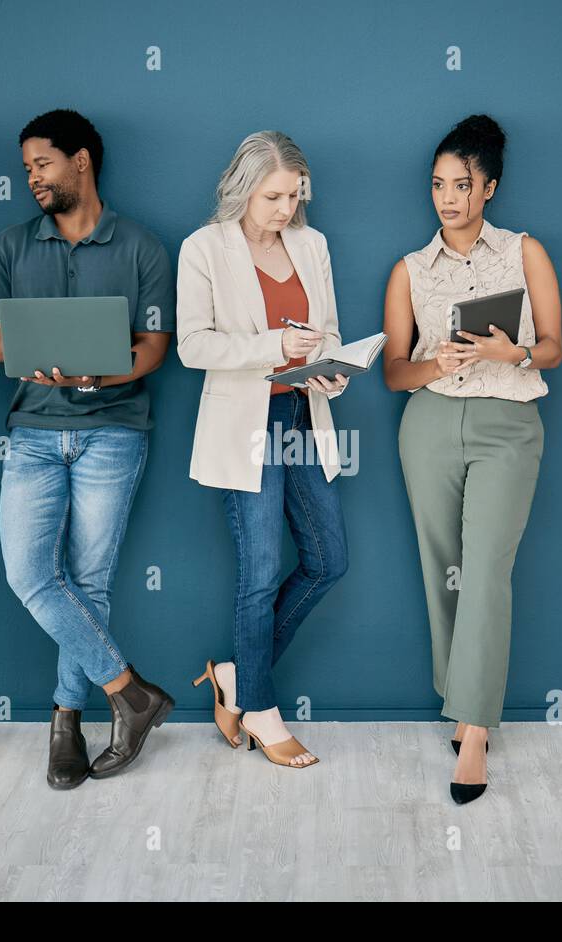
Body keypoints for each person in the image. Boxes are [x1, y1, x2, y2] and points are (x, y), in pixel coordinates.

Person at [0, 109, 176, 790]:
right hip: (32, 431)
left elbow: (151, 349)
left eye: (42, 163)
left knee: (89, 582)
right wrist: (44, 354)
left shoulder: (142, 246)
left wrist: (96, 372)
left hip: (114, 427)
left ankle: (66, 722)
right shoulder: (10, 246)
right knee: (31, 575)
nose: (31, 177)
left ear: (81, 161)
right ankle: (132, 694)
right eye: (26, 167)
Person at [383, 114, 562, 804]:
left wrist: (505, 350)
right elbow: (395, 373)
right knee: (443, 570)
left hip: (508, 422)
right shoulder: (407, 270)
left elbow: (553, 346)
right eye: (438, 184)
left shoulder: (524, 252)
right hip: (427, 423)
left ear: (489, 187)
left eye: (462, 184)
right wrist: (437, 361)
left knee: (487, 566)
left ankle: (476, 729)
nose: (448, 197)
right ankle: (461, 699)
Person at [177, 131, 350, 769]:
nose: (286, 209)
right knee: (258, 574)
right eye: (274, 195)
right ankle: (262, 709)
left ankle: (234, 674)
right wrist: (276, 348)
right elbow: (193, 346)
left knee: (329, 560)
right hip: (243, 425)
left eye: (294, 196)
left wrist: (327, 367)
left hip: (305, 414)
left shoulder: (312, 245)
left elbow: (324, 331)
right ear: (244, 186)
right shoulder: (205, 248)